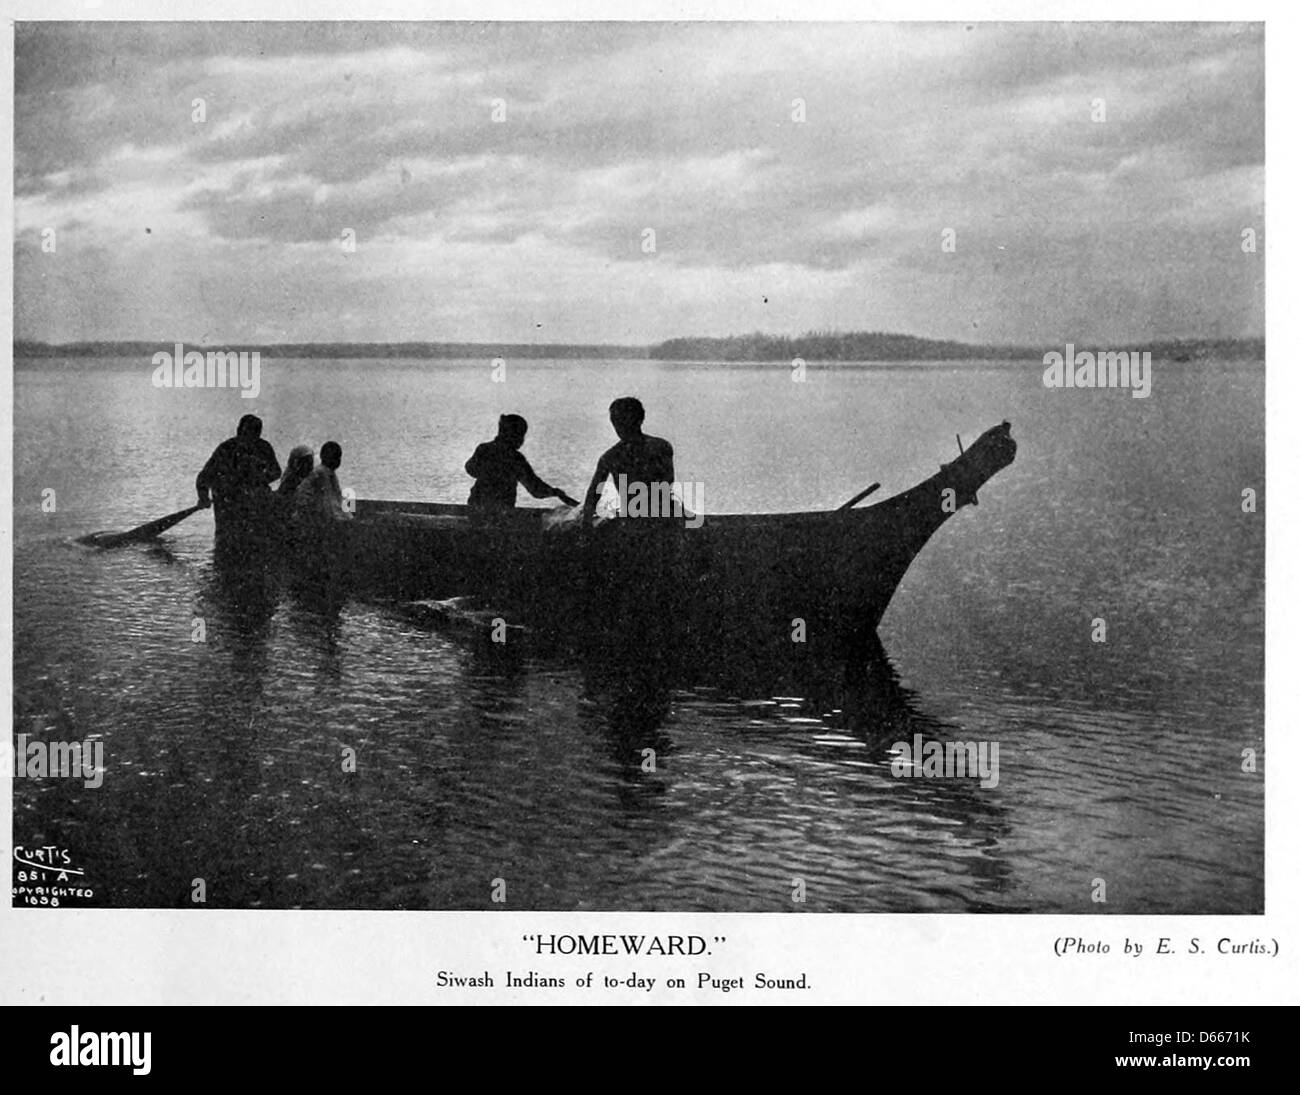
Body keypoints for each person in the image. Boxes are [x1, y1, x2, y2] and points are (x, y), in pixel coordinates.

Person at [580, 397, 678, 527]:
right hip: (662, 516)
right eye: (617, 421)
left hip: (635, 521)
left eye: (622, 421)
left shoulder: (610, 457)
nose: (620, 427)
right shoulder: (661, 446)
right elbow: (668, 482)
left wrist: (586, 524)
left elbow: (593, 496)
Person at [196, 414, 282, 552]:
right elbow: (204, 477)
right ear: (239, 431)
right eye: (247, 432)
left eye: (255, 433)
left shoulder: (263, 447)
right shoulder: (226, 449)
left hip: (253, 507)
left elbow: (276, 472)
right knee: (227, 544)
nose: (250, 438)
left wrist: (257, 480)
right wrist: (203, 496)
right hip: (229, 508)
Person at [465, 414, 579, 513]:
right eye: (521, 435)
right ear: (514, 436)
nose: (522, 440)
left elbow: (470, 469)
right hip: (502, 511)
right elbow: (535, 489)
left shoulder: (484, 449)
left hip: (475, 507)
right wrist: (556, 492)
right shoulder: (516, 458)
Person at [293, 441, 352, 525]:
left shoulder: (327, 472)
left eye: (338, 458)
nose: (337, 461)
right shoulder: (322, 473)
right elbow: (328, 501)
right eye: (334, 458)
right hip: (310, 513)